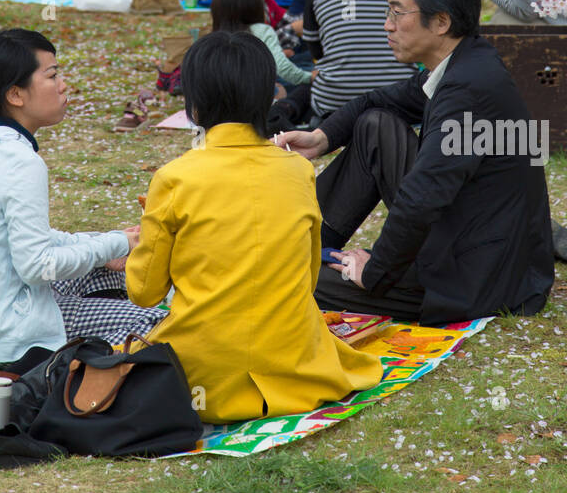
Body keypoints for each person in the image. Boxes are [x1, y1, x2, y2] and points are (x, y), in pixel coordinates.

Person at [276, 0, 555, 324]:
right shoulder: (462, 63)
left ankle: (290, 260)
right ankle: (298, 242)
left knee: (285, 283)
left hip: (474, 276)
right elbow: (374, 101)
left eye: (396, 13)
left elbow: (422, 198)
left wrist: (372, 273)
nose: (387, 25)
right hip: (464, 233)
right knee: (375, 124)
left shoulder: (468, 89)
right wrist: (322, 137)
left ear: (440, 22)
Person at [126, 31, 383, 423]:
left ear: (193, 107)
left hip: (202, 379)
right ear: (269, 97)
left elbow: (144, 292)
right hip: (298, 367)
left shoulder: (175, 177)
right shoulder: (298, 169)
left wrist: (147, 241)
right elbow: (308, 274)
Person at [0, 29, 165, 366]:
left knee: (111, 268)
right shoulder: (19, 161)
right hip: (3, 335)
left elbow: (17, 240)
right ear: (16, 94)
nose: (63, 84)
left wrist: (113, 242)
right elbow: (37, 265)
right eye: (52, 75)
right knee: (156, 323)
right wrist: (115, 244)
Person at [210, 0, 312, 88]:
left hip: (228, 91)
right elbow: (282, 67)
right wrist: (308, 77)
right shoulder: (262, 30)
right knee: (307, 64)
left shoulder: (214, 38)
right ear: (254, 9)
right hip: (258, 91)